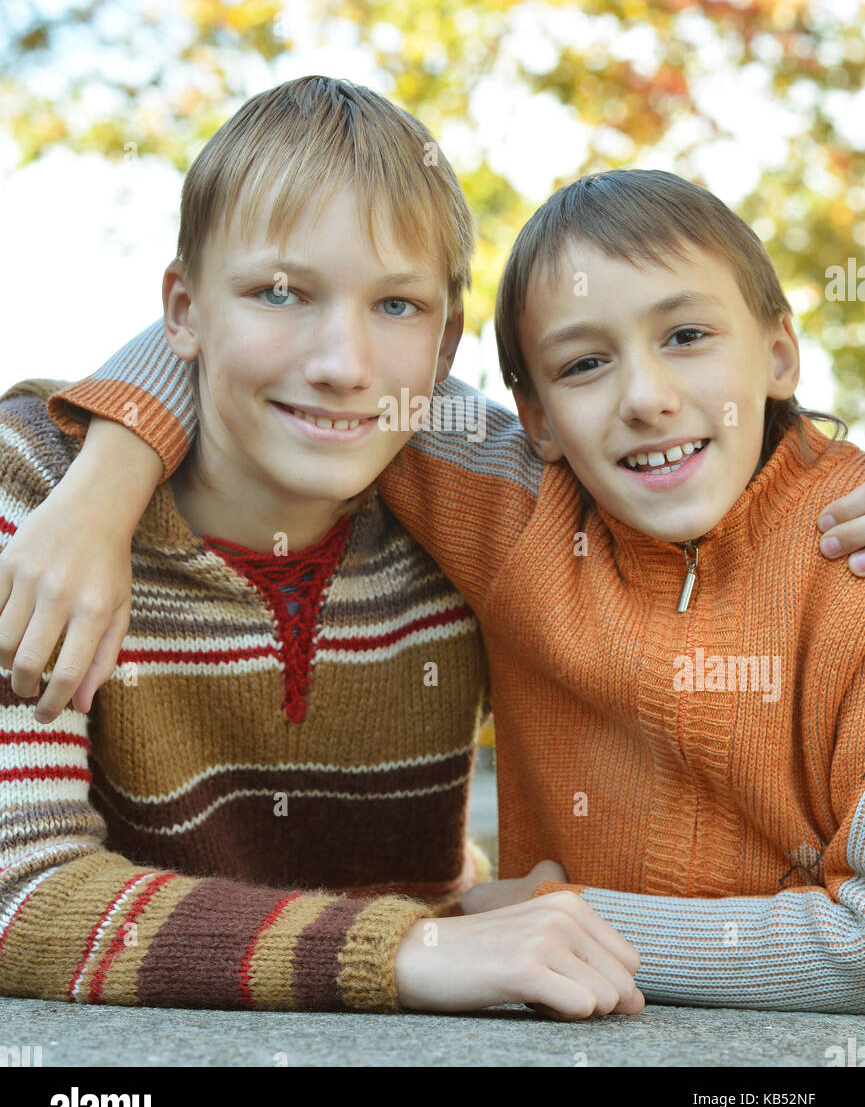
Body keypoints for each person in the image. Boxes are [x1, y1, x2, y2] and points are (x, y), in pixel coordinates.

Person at [12, 166, 865, 1012]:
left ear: (779, 353)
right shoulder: (516, 502)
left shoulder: (850, 565)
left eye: (686, 336)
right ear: (535, 418)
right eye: (583, 363)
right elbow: (239, 351)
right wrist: (102, 491)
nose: (646, 397)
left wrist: (561, 923)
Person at [0, 77, 647, 1019]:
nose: (342, 365)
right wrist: (410, 948)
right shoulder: (39, 490)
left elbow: (694, 477)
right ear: (180, 310)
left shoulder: (470, 491)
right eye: (279, 293)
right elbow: (18, 898)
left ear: (444, 343)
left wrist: (824, 499)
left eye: (396, 307)